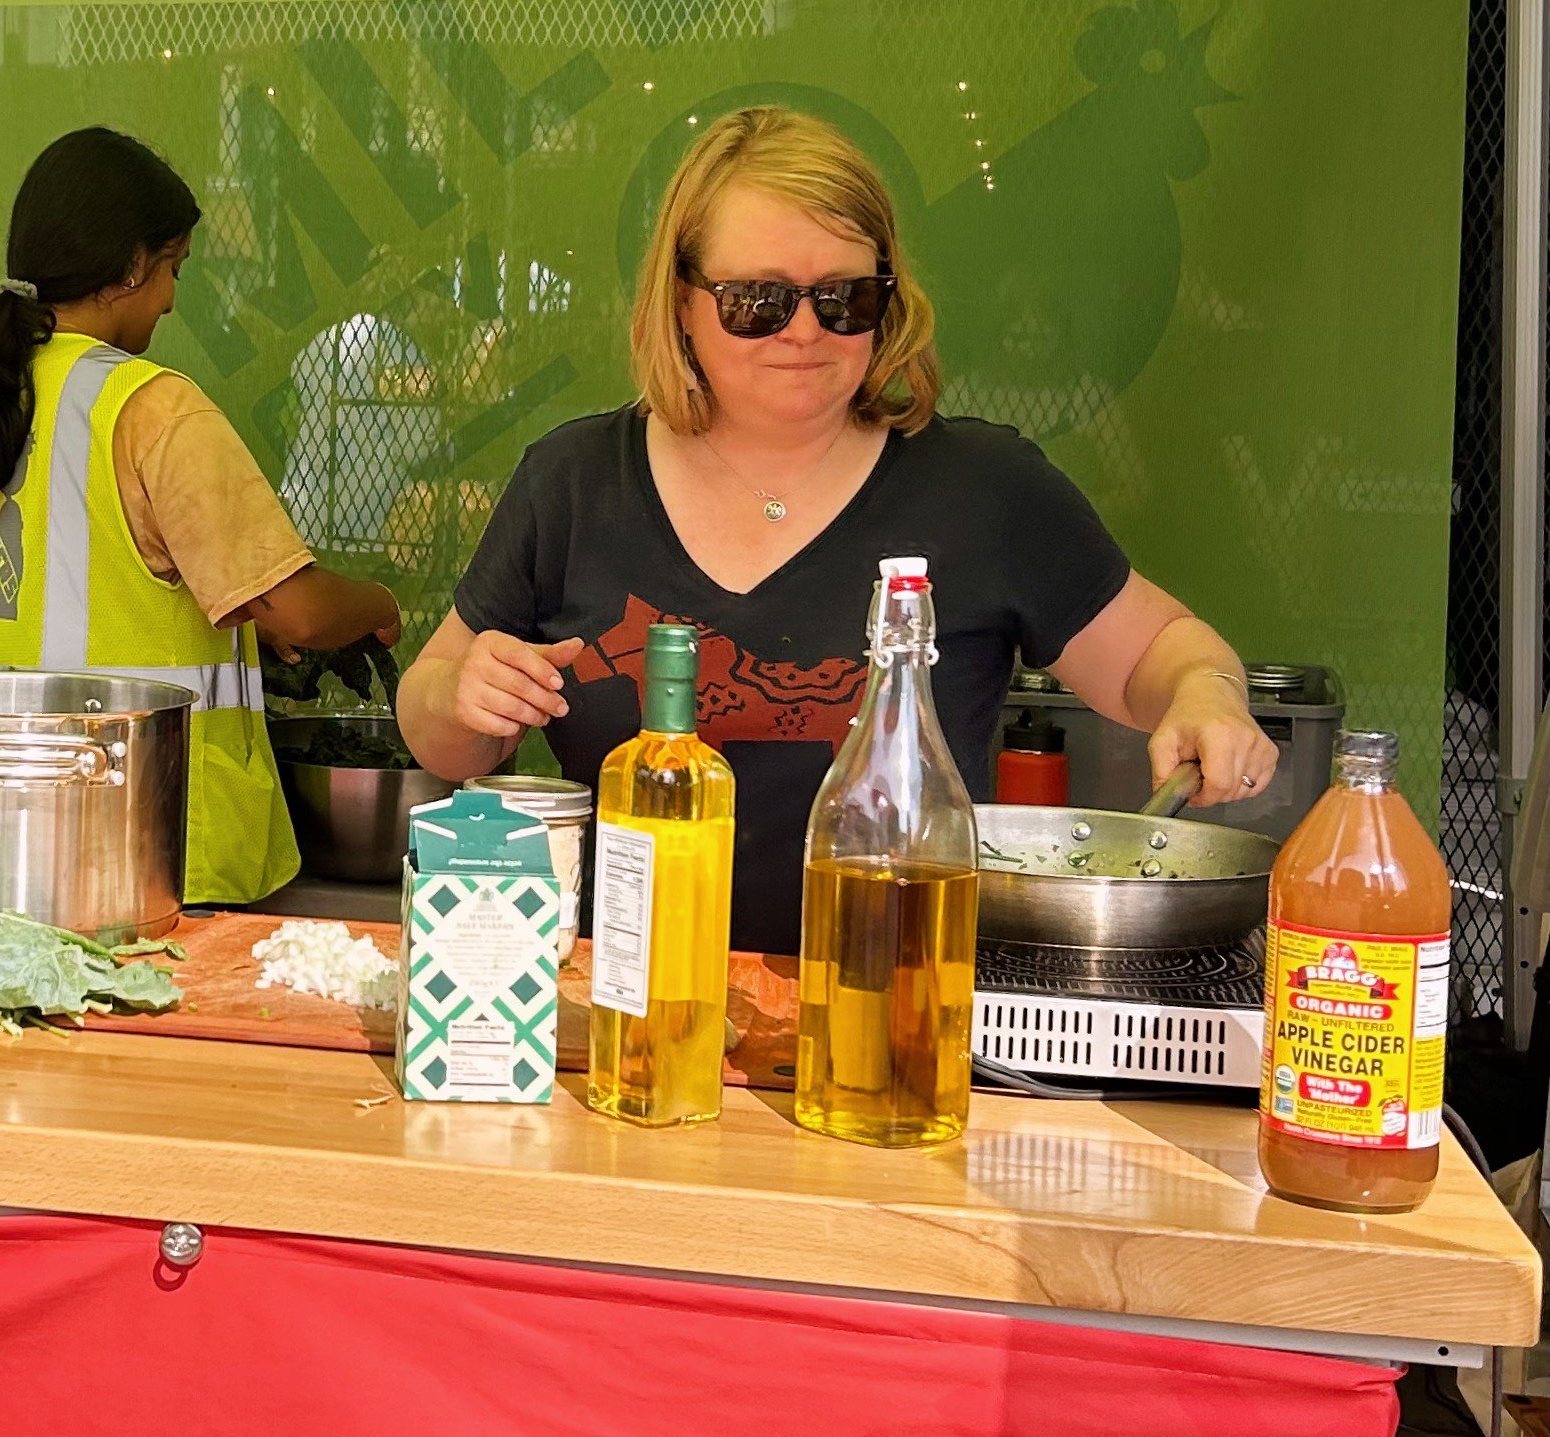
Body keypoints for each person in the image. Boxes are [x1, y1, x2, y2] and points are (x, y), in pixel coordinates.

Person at [397, 106, 1277, 956]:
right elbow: (435, 718)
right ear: (682, 302)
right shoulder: (575, 480)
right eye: (757, 301)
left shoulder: (983, 489)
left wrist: (1206, 696)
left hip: (892, 1011)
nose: (805, 331)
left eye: (843, 298)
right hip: (627, 1012)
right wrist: (463, 697)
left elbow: (1158, 658)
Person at [0, 127, 401, 905]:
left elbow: (94, 583)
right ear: (130, 267)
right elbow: (300, 609)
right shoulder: (149, 405)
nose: (175, 296)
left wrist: (250, 619)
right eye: (173, 267)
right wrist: (379, 605)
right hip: (146, 845)